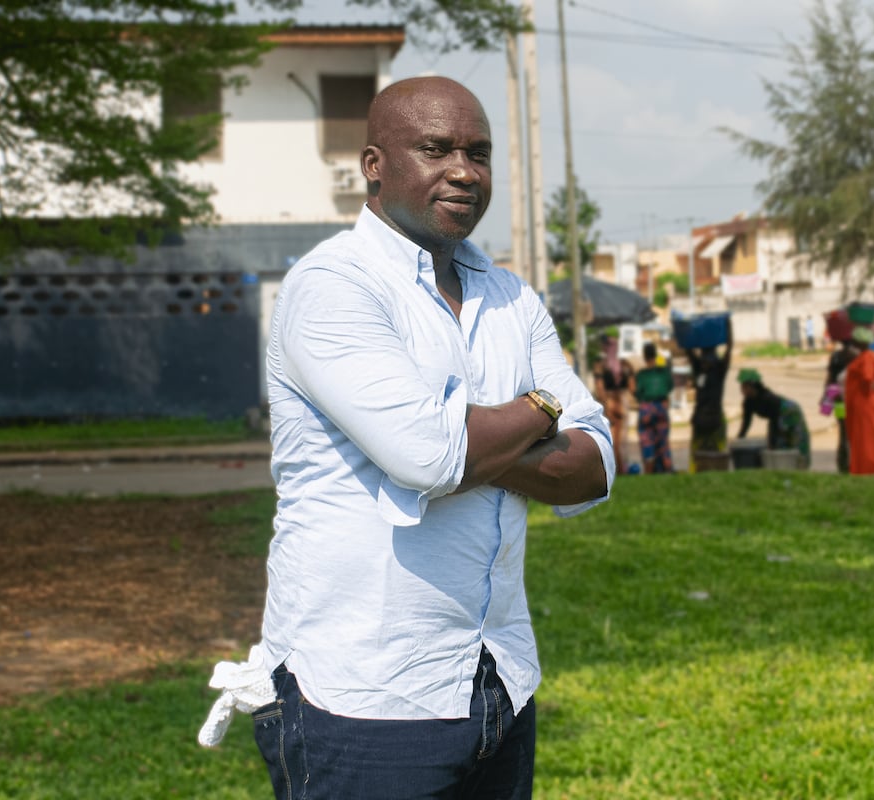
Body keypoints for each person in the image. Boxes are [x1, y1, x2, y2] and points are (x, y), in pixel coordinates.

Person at [197, 77, 615, 800]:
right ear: (374, 165)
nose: (464, 170)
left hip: (498, 681)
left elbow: (596, 466)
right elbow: (428, 455)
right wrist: (543, 406)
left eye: (479, 153)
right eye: (436, 148)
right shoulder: (333, 286)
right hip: (362, 696)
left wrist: (471, 429)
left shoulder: (511, 297)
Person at [735, 368, 811, 468]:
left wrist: (771, 443)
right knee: (779, 445)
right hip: (778, 418)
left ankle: (800, 466)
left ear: (753, 387)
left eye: (745, 387)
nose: (742, 390)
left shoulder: (767, 399)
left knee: (794, 442)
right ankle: (785, 466)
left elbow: (774, 423)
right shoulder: (748, 403)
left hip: (789, 412)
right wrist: (739, 441)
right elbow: (746, 423)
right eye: (742, 387)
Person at [685, 321, 733, 471]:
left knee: (716, 456)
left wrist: (728, 327)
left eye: (708, 360)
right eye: (705, 359)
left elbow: (729, 350)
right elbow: (688, 349)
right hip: (704, 420)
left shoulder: (718, 370)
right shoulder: (701, 368)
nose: (706, 363)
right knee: (699, 457)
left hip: (712, 420)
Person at [843, 327, 874, 474]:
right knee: (872, 438)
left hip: (865, 405)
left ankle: (868, 468)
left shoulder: (867, 358)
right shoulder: (872, 356)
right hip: (867, 404)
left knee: (867, 440)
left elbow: (867, 378)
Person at [592, 334, 633, 475]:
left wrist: (604, 404)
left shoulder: (600, 366)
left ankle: (616, 471)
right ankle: (622, 470)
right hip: (622, 401)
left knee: (611, 441)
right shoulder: (624, 365)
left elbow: (599, 388)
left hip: (609, 401)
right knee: (621, 441)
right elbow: (632, 387)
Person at [634, 341, 674, 473]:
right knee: (663, 441)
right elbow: (670, 387)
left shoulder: (642, 375)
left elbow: (638, 394)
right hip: (661, 407)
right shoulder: (664, 372)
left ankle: (649, 472)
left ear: (645, 357)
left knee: (647, 441)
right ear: (655, 355)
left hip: (647, 409)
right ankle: (666, 469)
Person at [822, 340, 856, 474]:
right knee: (848, 432)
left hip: (837, 398)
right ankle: (848, 464)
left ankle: (843, 464)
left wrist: (826, 399)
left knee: (843, 431)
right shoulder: (855, 357)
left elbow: (830, 379)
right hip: (847, 400)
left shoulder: (836, 356)